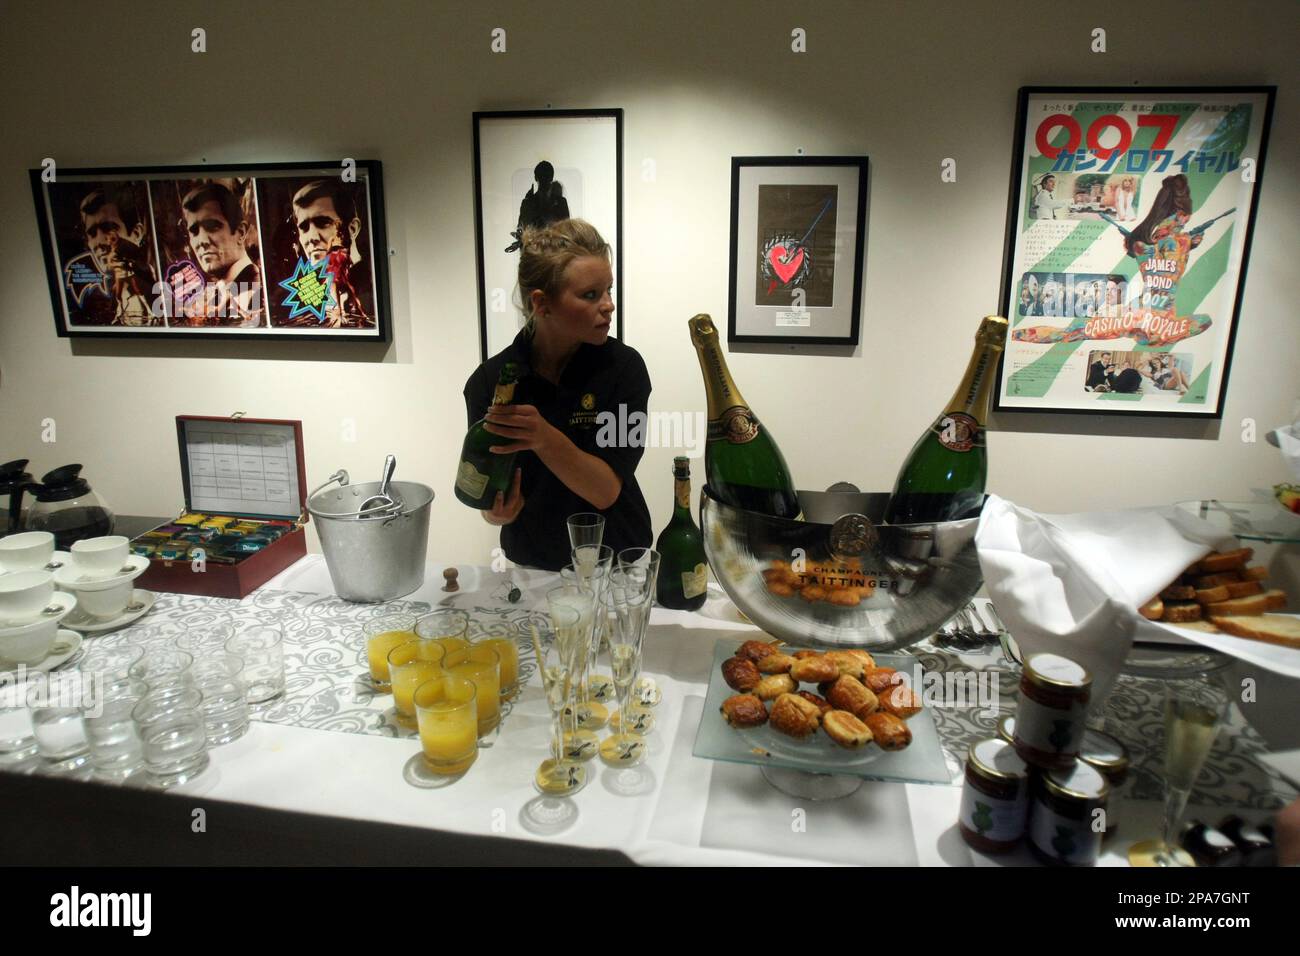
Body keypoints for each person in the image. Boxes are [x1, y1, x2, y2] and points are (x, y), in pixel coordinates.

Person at [463, 218, 652, 571]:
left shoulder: (625, 370)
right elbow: (490, 495)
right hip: (532, 565)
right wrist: (497, 511)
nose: (608, 305)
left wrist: (542, 436)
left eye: (609, 290)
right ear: (542, 303)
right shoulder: (489, 382)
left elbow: (605, 490)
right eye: (591, 295)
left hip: (617, 563)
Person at [63, 185, 159, 326]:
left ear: (136, 233)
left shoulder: (153, 281)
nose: (100, 242)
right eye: (92, 233)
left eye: (108, 228)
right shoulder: (95, 297)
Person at [179, 182, 265, 327]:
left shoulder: (256, 292)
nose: (201, 241)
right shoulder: (215, 291)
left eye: (212, 227)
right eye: (194, 232)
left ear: (241, 232)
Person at [289, 179, 371, 327]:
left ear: (352, 229)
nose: (312, 237)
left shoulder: (372, 285)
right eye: (304, 227)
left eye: (323, 222)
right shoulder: (303, 293)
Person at [505, 161, 570, 253]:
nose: (544, 179)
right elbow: (521, 229)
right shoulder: (528, 202)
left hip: (555, 252)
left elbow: (566, 230)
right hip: (535, 252)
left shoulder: (560, 202)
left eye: (546, 176)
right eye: (542, 176)